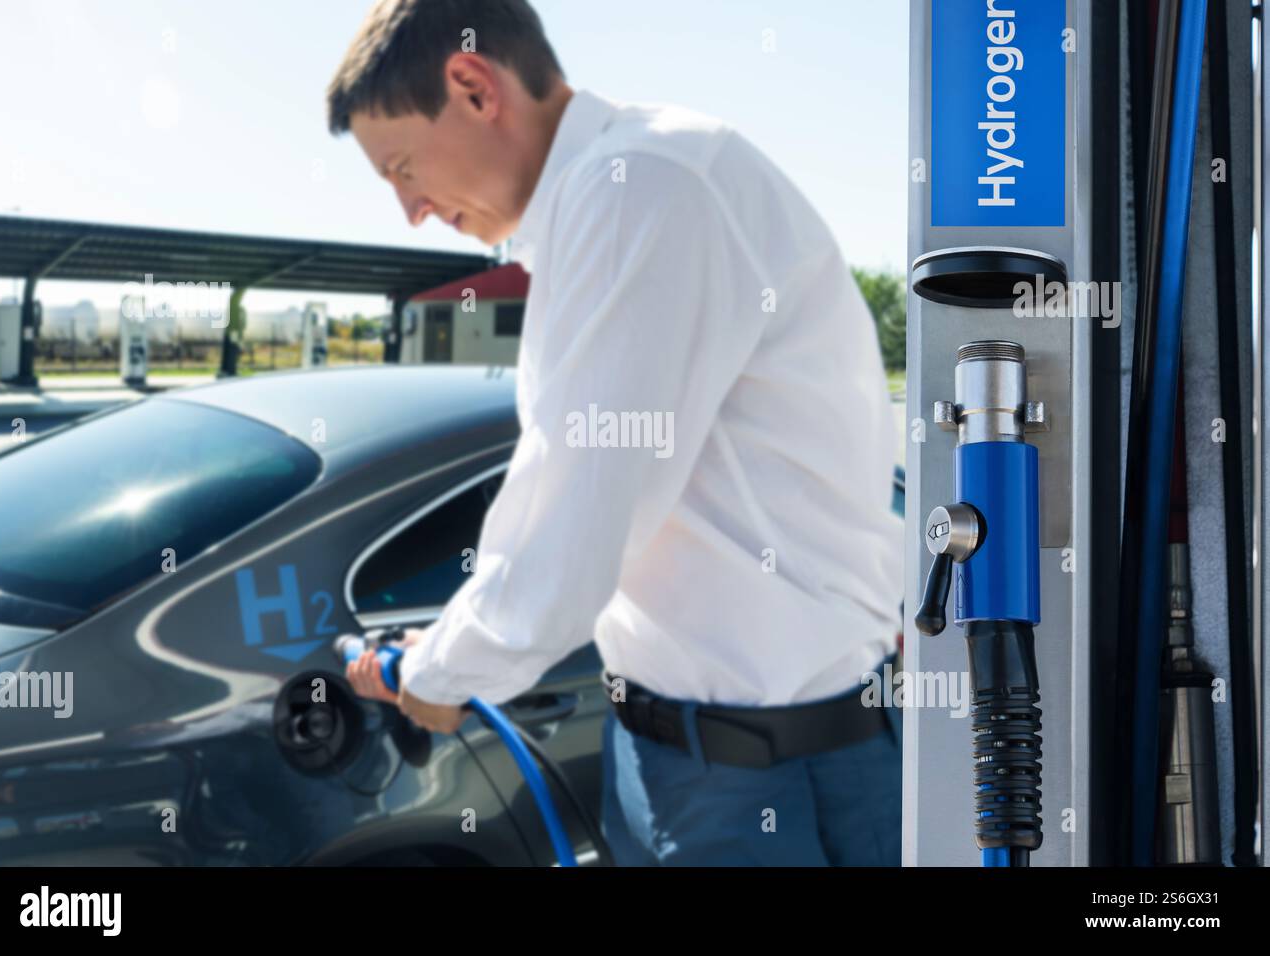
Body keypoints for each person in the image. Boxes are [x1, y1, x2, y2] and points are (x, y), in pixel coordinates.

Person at [329, 0, 903, 866]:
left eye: (402, 167)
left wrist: (441, 674)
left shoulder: (639, 184)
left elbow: (574, 524)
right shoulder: (627, 187)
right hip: (702, 752)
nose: (410, 209)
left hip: (761, 774)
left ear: (473, 85)